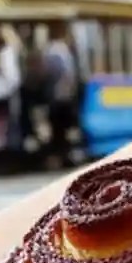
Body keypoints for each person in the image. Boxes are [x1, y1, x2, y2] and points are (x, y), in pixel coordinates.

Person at [44, 29, 80, 163]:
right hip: (61, 95)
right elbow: (65, 73)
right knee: (62, 127)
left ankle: (62, 154)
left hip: (57, 95)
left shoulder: (53, 50)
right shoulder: (58, 51)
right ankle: (63, 155)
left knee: (60, 127)